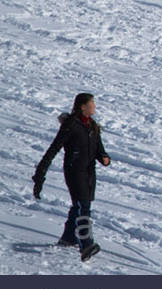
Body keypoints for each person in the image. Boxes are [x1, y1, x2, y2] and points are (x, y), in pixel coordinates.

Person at [32, 92, 111, 261]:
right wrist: (40, 175)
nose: (94, 107)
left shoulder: (92, 126)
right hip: (74, 171)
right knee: (84, 206)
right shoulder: (71, 126)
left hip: (89, 172)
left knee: (80, 205)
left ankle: (68, 238)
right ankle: (86, 244)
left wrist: (105, 158)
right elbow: (53, 150)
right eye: (92, 104)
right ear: (83, 106)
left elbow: (99, 149)